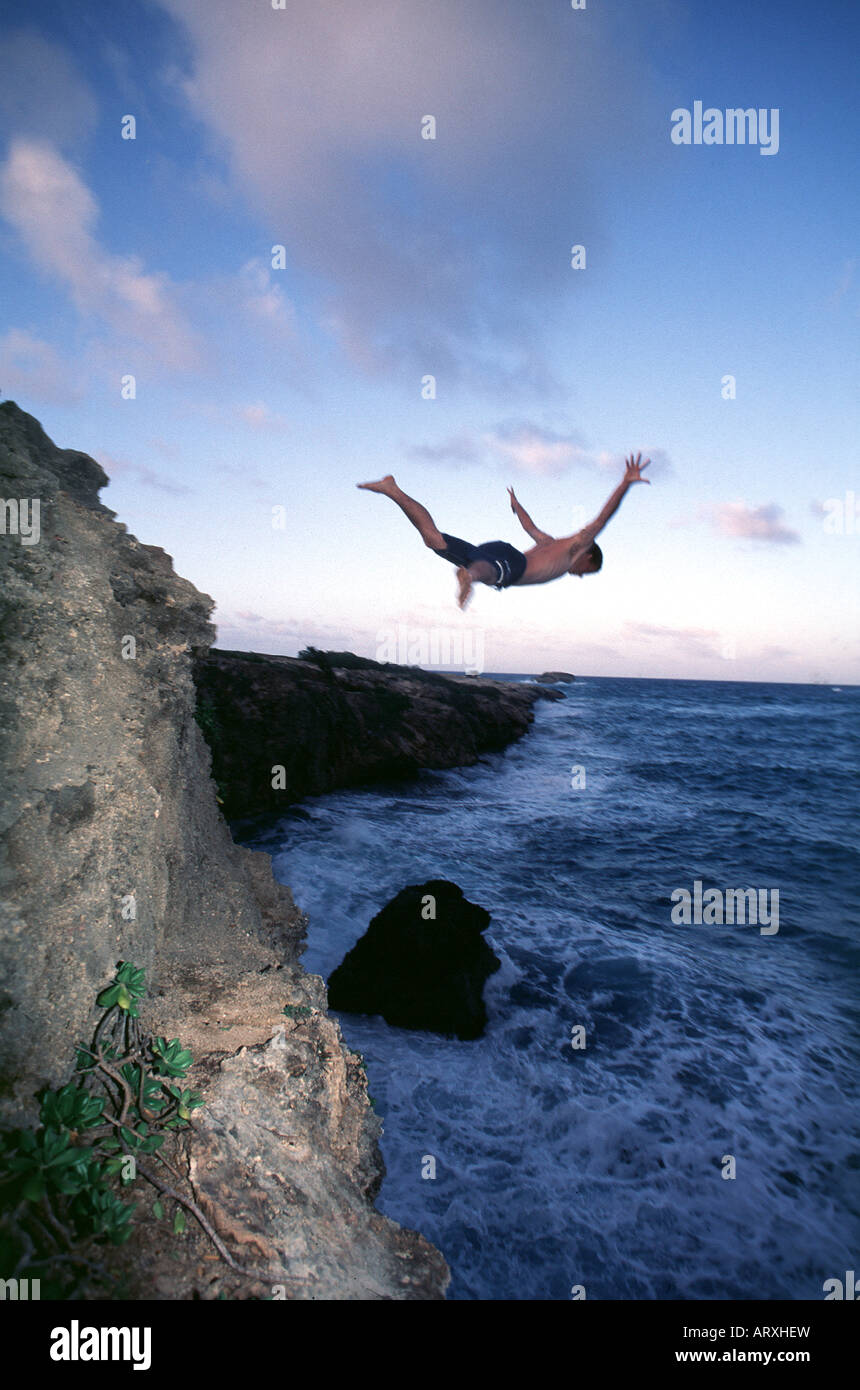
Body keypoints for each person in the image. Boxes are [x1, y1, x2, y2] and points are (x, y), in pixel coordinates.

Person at [358, 453, 651, 608]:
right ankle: (469, 576)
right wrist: (625, 483)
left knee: (433, 539)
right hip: (509, 565)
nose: (580, 576)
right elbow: (602, 519)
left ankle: (392, 489)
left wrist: (516, 504)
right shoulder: (574, 546)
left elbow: (529, 526)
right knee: (491, 573)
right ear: (588, 557)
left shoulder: (548, 542)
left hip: (496, 551)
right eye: (586, 572)